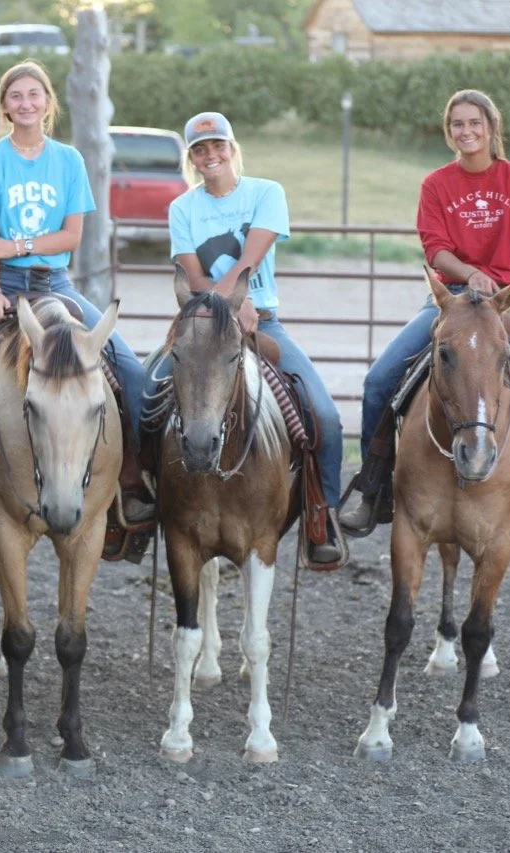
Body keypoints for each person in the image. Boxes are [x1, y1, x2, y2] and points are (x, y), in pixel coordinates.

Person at [339, 89, 510, 539]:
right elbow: (435, 249)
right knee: (379, 380)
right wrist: (470, 274)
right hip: (451, 299)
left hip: (505, 303)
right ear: (449, 131)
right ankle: (373, 490)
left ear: (491, 127)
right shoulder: (436, 184)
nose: (466, 131)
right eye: (457, 124)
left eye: (474, 123)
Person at [0, 59, 153, 524]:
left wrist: (19, 245)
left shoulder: (68, 161)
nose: (26, 103)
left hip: (56, 283)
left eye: (34, 94)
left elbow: (72, 237)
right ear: (5, 107)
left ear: (48, 102)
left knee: (132, 373)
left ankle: (133, 479)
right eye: (16, 96)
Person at [153, 111, 345, 564]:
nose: (211, 155)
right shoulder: (182, 208)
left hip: (262, 320)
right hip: (202, 325)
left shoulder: (266, 193)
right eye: (201, 150)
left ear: (232, 148)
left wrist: (240, 300)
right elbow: (192, 276)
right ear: (192, 159)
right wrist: (228, 305)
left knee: (324, 416)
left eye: (218, 145)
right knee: (145, 397)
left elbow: (250, 259)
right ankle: (139, 501)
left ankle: (322, 517)